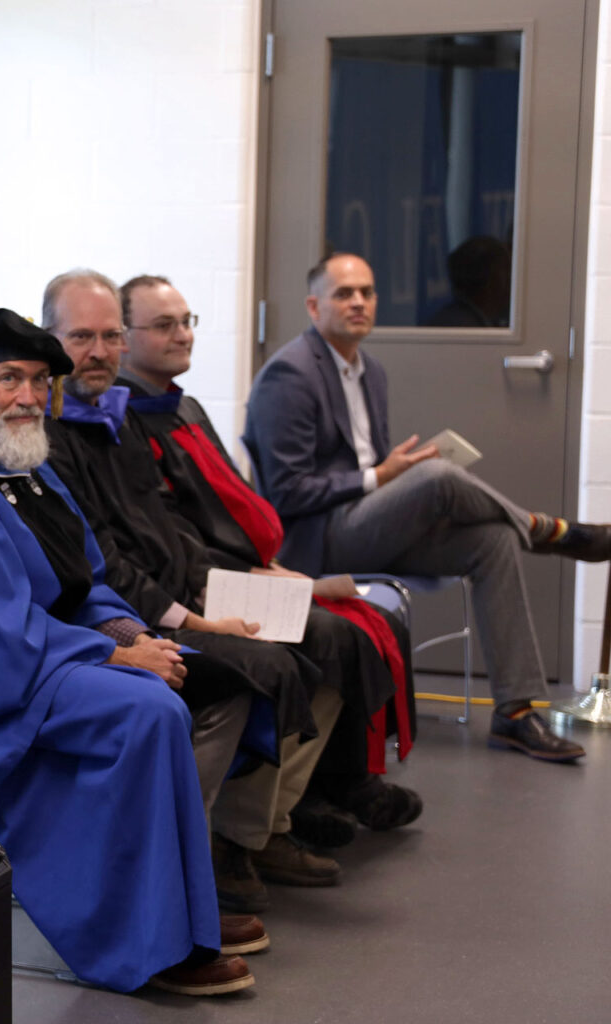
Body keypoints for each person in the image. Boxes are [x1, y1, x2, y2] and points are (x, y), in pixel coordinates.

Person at [0, 308, 264, 997]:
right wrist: (114, 659)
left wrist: (134, 634)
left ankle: (182, 917)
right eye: (8, 379)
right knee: (148, 712)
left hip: (40, 662)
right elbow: (1, 628)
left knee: (185, 689)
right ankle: (136, 941)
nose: (29, 397)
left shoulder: (28, 465)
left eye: (38, 381)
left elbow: (87, 582)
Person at [39, 269, 408, 909]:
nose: (98, 351)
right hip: (129, 616)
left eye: (108, 336)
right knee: (274, 662)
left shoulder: (120, 418)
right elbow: (104, 566)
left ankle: (268, 825)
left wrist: (238, 582)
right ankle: (229, 843)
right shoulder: (48, 438)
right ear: (49, 340)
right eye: (80, 337)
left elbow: (170, 532)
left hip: (189, 589)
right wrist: (198, 619)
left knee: (333, 635)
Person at [245, 253, 609, 762]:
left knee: (493, 540)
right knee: (436, 475)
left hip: (366, 524)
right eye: (344, 294)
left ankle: (516, 712)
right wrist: (383, 477)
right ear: (313, 306)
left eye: (367, 293)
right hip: (314, 540)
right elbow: (286, 494)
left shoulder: (370, 371)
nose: (358, 303)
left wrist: (392, 486)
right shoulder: (289, 374)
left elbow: (373, 473)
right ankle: (549, 530)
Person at [106, 272, 424, 838]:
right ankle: (287, 814)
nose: (182, 335)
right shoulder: (124, 424)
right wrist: (268, 579)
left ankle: (331, 786)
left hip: (242, 570)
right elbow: (175, 540)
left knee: (369, 620)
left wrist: (279, 572)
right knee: (331, 633)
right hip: (203, 587)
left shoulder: (185, 407)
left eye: (186, 322)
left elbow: (231, 512)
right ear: (125, 337)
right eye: (164, 325)